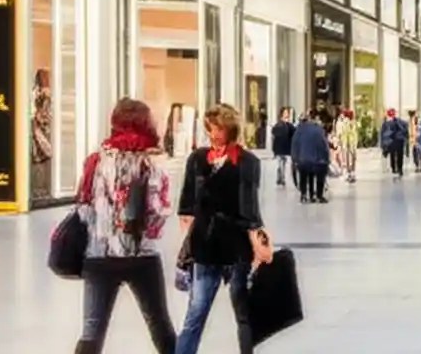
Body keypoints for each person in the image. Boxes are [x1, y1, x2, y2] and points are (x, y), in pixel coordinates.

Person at [73, 98, 177, 354]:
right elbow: (158, 216)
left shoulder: (95, 161)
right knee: (159, 324)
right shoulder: (152, 165)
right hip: (142, 256)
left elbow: (82, 208)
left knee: (92, 330)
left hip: (99, 256)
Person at [176, 104, 273, 354]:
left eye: (219, 128)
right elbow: (186, 204)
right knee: (196, 312)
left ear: (231, 129)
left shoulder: (247, 162)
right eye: (210, 128)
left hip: (237, 245)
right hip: (205, 246)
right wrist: (189, 240)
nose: (214, 134)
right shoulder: (197, 159)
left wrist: (258, 241)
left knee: (243, 313)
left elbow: (250, 207)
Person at [291, 110, 330, 203]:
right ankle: (319, 195)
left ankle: (304, 195)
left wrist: (294, 159)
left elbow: (295, 144)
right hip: (317, 160)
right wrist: (326, 158)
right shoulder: (319, 130)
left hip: (303, 160)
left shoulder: (299, 130)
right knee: (319, 176)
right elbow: (324, 145)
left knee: (304, 176)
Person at [270, 107, 295, 188]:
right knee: (280, 163)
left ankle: (281, 177)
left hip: (284, 147)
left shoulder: (288, 125)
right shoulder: (279, 125)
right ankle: (281, 178)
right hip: (280, 147)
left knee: (282, 163)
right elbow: (274, 136)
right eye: (285, 112)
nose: (286, 114)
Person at [380, 109, 408, 179]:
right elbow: (405, 131)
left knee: (394, 154)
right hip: (397, 140)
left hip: (394, 141)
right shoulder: (401, 122)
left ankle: (395, 168)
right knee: (398, 154)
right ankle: (399, 168)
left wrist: (383, 144)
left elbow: (383, 134)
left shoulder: (386, 123)